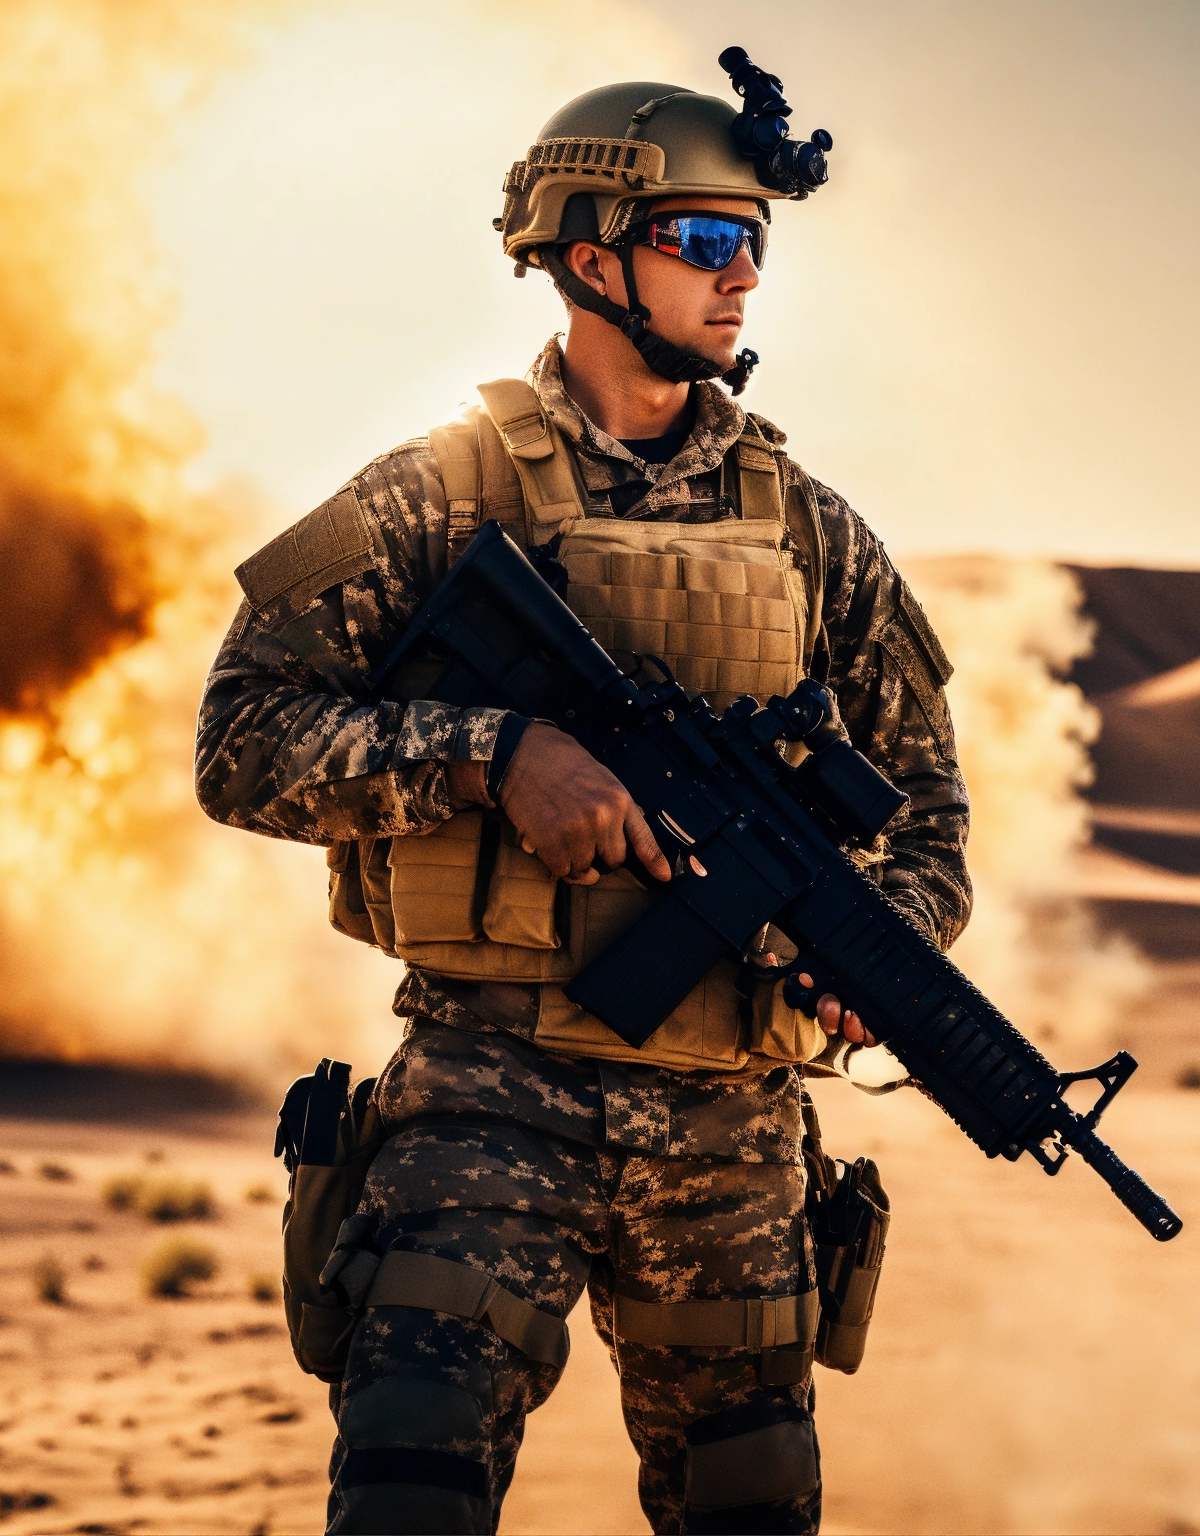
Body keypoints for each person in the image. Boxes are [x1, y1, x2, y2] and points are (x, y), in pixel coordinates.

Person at [196, 53, 967, 1536]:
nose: (742, 280)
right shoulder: (441, 491)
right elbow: (244, 738)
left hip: (733, 1141)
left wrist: (887, 949)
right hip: (488, 1106)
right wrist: (491, 758)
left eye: (758, 246)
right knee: (407, 1495)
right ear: (589, 250)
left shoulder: (811, 532)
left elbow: (928, 810)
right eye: (707, 242)